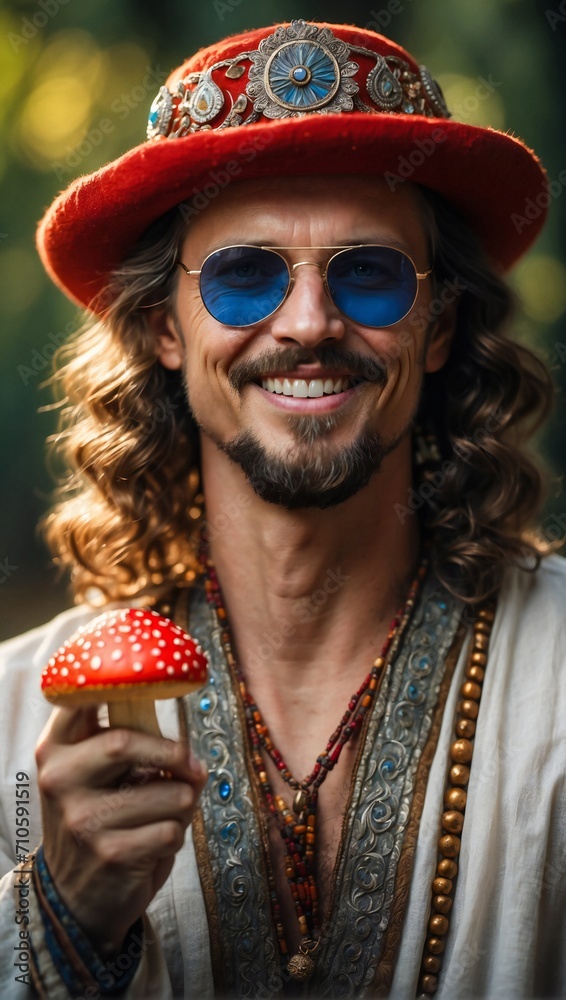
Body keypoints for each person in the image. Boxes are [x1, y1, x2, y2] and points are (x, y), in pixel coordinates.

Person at [0, 18, 564, 1000]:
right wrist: (60, 919)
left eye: (370, 275)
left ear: (437, 329)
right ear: (160, 327)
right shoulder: (13, 723)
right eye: (245, 274)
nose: (306, 323)